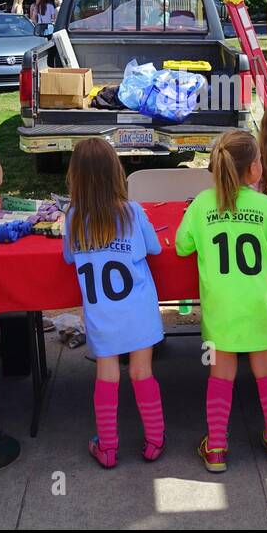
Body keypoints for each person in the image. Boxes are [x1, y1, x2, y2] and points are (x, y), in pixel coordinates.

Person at [175, 130, 267, 472]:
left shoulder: (202, 204)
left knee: (221, 375)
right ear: (255, 170)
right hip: (258, 307)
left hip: (220, 310)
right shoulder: (262, 205)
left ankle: (216, 446)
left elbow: (181, 245)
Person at [63, 139, 166, 468]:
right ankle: (155, 440)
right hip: (137, 309)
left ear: (76, 176)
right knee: (142, 372)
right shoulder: (132, 211)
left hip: (101, 311)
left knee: (107, 376)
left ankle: (107, 447)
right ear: (115, 172)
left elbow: (68, 256)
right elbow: (155, 249)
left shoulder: (74, 216)